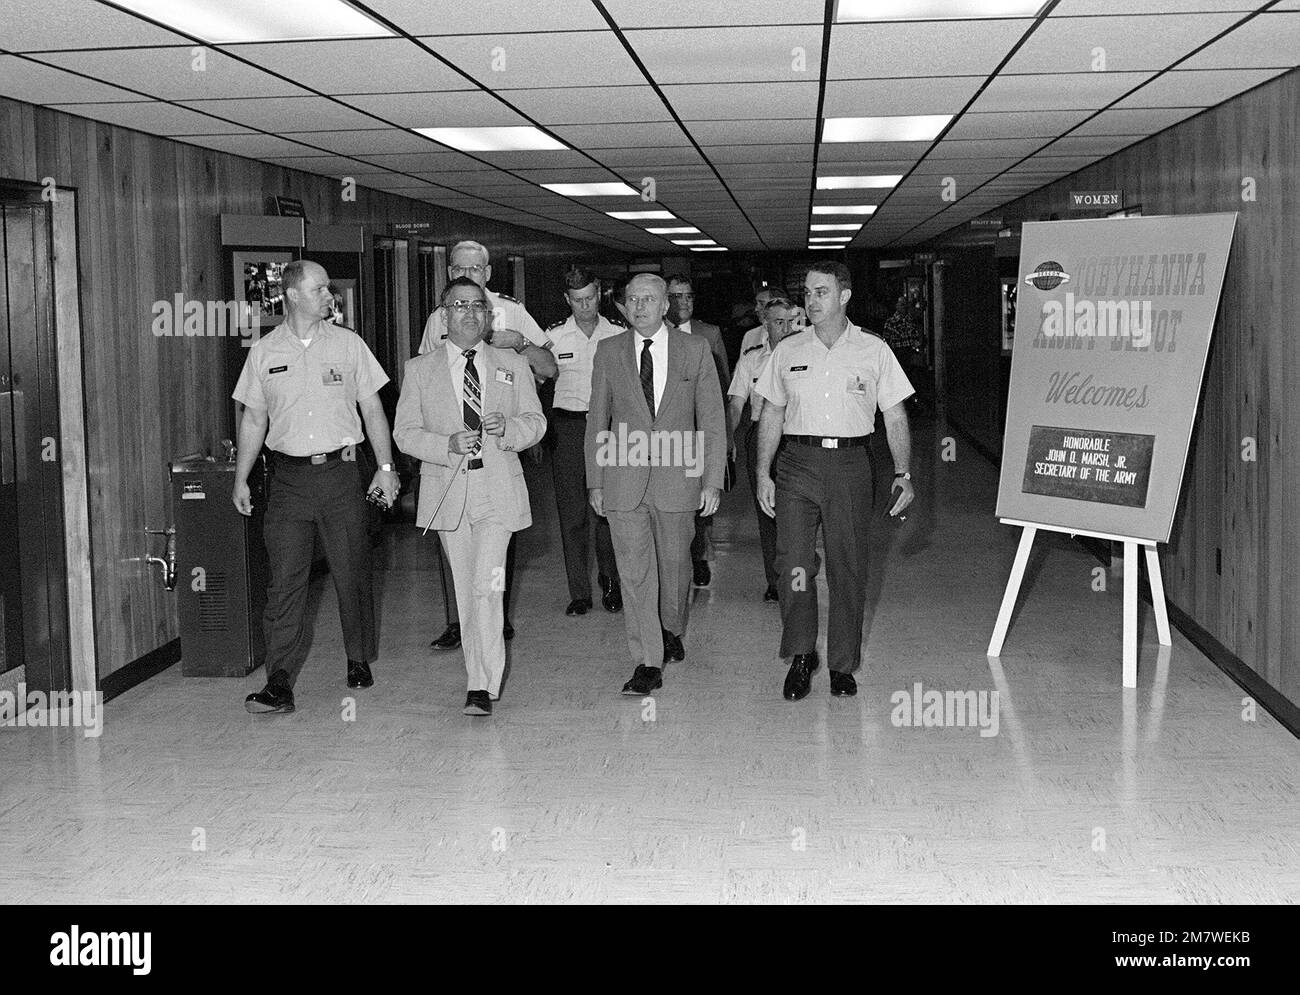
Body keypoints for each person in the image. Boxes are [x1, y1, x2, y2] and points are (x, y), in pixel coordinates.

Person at [233, 259, 399, 714]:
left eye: (328, 289)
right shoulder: (264, 352)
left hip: (342, 475)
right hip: (288, 480)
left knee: (352, 571)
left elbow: (373, 411)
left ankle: (358, 656)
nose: (330, 296)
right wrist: (241, 478)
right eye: (320, 289)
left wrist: (385, 467)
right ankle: (279, 682)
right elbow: (253, 418)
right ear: (292, 295)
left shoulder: (349, 345)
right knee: (285, 582)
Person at [753, 260, 916, 701]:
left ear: (844, 296)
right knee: (794, 564)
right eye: (807, 292)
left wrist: (903, 473)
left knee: (848, 566)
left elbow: (895, 414)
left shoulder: (874, 349)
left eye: (820, 292)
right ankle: (802, 654)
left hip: (850, 465)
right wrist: (762, 472)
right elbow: (771, 412)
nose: (811, 300)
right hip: (796, 465)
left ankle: (843, 664)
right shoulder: (788, 350)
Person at [394, 277, 545, 716]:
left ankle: (481, 685)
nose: (470, 313)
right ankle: (475, 674)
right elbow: (404, 433)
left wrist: (511, 430)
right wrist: (445, 445)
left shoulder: (510, 364)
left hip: (497, 493)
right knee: (466, 590)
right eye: (460, 306)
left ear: (488, 314)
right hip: (448, 493)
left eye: (478, 306)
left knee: (489, 586)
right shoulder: (419, 369)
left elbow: (536, 421)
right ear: (444, 316)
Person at [586, 274, 725, 695]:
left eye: (649, 299)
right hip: (623, 478)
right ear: (624, 307)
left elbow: (713, 418)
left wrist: (713, 480)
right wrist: (595, 481)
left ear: (667, 305)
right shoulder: (609, 352)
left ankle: (672, 628)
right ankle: (647, 659)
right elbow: (597, 419)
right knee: (634, 571)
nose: (640, 306)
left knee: (676, 564)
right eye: (632, 299)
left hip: (678, 477)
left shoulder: (694, 349)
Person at [420, 240, 556, 651]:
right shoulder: (437, 319)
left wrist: (517, 343)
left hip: (502, 446)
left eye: (476, 270)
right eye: (460, 268)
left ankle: (495, 615)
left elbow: (549, 367)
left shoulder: (511, 312)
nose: (469, 276)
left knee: (499, 543)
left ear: (489, 273)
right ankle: (459, 620)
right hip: (454, 453)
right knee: (454, 538)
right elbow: (425, 382)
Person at [545, 266, 625, 616]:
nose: (585, 306)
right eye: (577, 301)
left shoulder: (618, 334)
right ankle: (579, 592)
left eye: (590, 298)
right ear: (568, 300)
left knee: (608, 511)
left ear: (600, 294)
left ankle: (611, 582)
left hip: (607, 428)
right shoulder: (553, 338)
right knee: (572, 512)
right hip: (569, 427)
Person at [726, 296, 797, 603]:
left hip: (794, 438)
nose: (785, 327)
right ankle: (774, 580)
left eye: (789, 321)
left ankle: (797, 571)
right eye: (778, 322)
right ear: (765, 324)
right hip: (760, 436)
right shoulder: (751, 359)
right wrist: (727, 437)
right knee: (766, 511)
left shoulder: (804, 355)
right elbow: (736, 403)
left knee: (795, 511)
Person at [665, 275, 730, 588]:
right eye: (676, 297)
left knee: (702, 499)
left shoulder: (709, 334)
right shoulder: (652, 333)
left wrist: (724, 438)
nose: (684, 303)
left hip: (698, 434)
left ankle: (699, 557)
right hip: (664, 438)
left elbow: (723, 387)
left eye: (688, 296)